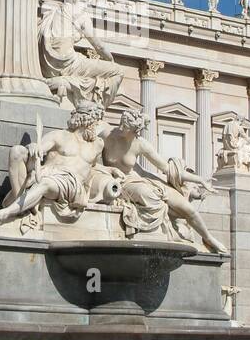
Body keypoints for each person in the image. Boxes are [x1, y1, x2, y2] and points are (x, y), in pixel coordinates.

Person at [96, 109, 227, 254]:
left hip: (143, 178)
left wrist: (201, 180)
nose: (128, 132)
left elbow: (168, 169)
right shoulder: (106, 135)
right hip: (124, 182)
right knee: (151, 196)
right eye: (126, 127)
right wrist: (108, 172)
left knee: (188, 209)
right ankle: (165, 232)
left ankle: (208, 238)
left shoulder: (140, 143)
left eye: (133, 130)